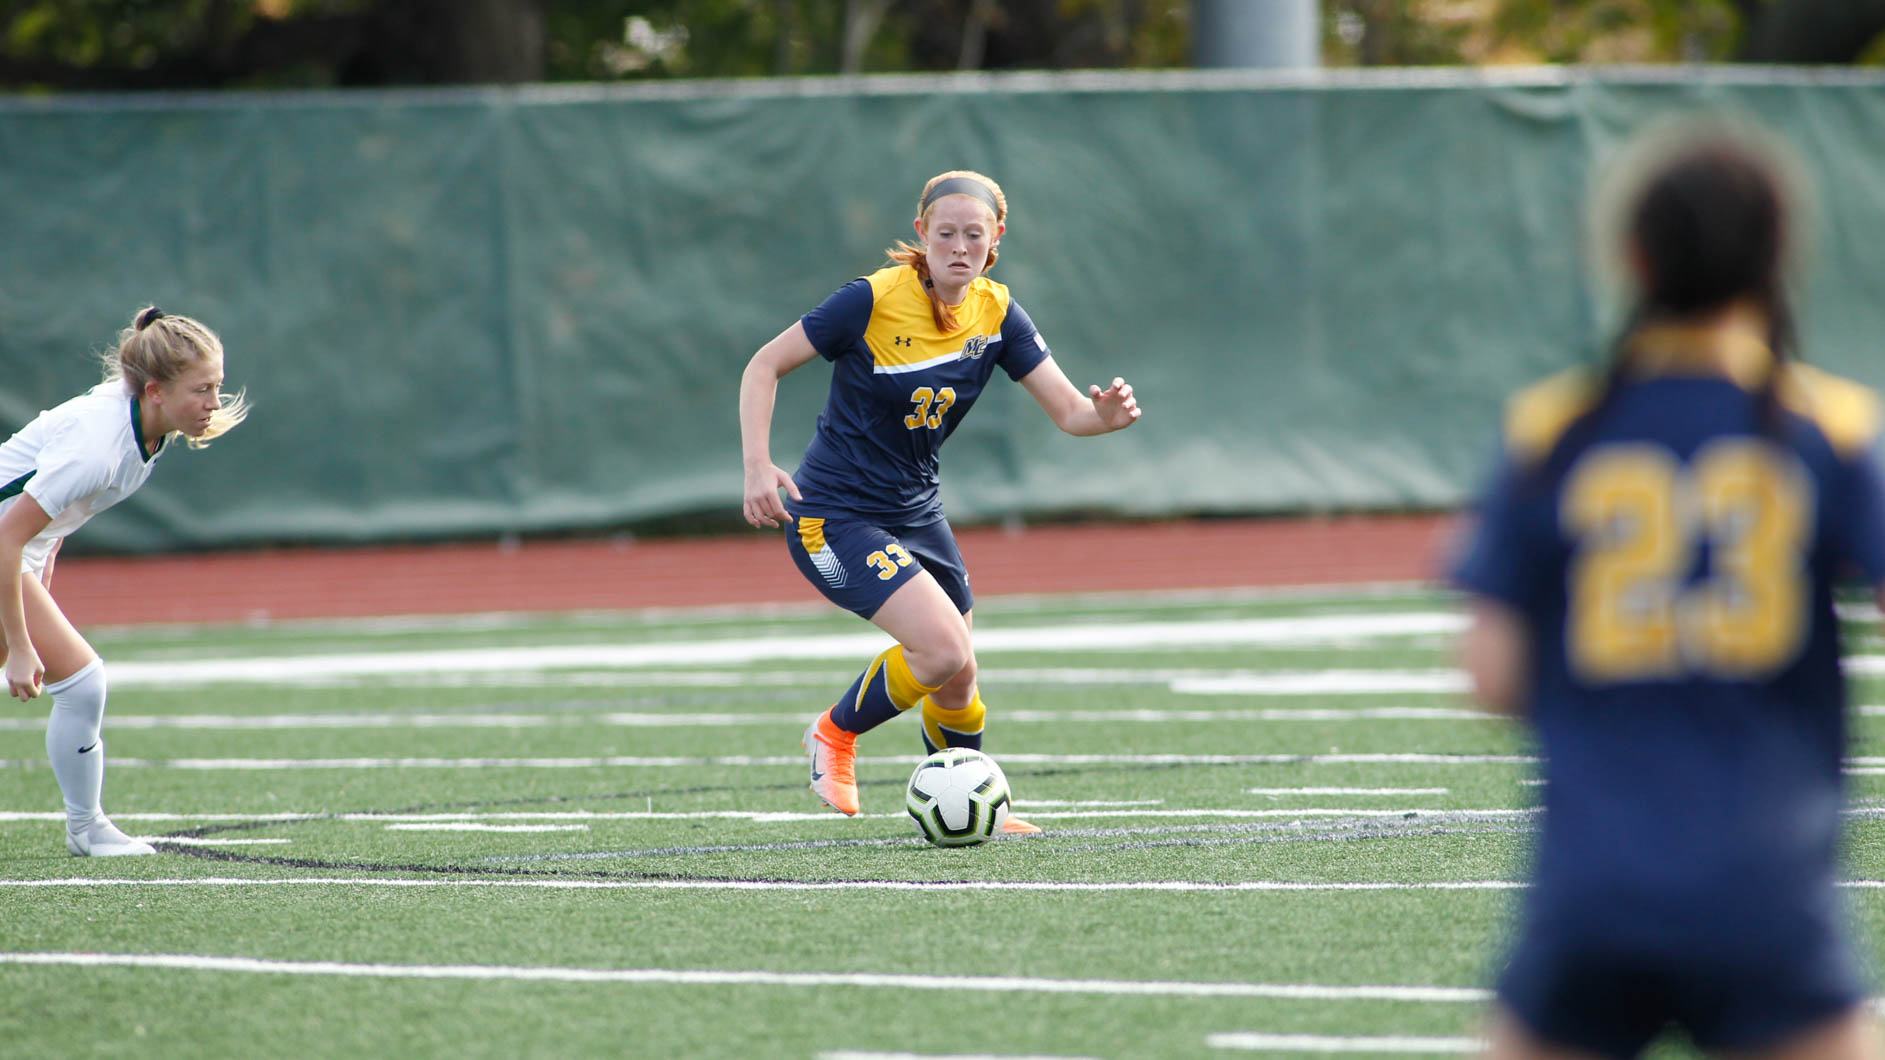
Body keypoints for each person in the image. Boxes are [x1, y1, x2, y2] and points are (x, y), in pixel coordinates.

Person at [1451, 118, 1885, 1059]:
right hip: (1765, 891)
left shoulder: (1551, 427)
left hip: (1592, 889)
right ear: (1778, 258)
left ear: (1631, 258)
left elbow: (1490, 676)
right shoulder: (1833, 427)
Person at [739, 170, 1141, 829]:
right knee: (942, 650)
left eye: (973, 235)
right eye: (945, 232)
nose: (958, 246)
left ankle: (970, 797)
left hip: (917, 513)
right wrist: (757, 465)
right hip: (832, 517)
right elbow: (763, 364)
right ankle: (833, 733)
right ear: (921, 233)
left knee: (959, 675)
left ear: (996, 239)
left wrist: (1106, 417)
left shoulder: (997, 312)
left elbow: (1072, 412)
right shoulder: (869, 299)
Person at [3, 306, 247, 856]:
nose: (214, 403)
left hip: (14, 552)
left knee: (78, 682)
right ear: (155, 390)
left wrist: (39, 595)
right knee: (83, 684)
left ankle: (86, 827)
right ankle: (86, 828)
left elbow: (57, 522)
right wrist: (20, 643)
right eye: (202, 390)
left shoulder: (146, 424)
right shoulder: (98, 448)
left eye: (217, 386)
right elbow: (6, 537)